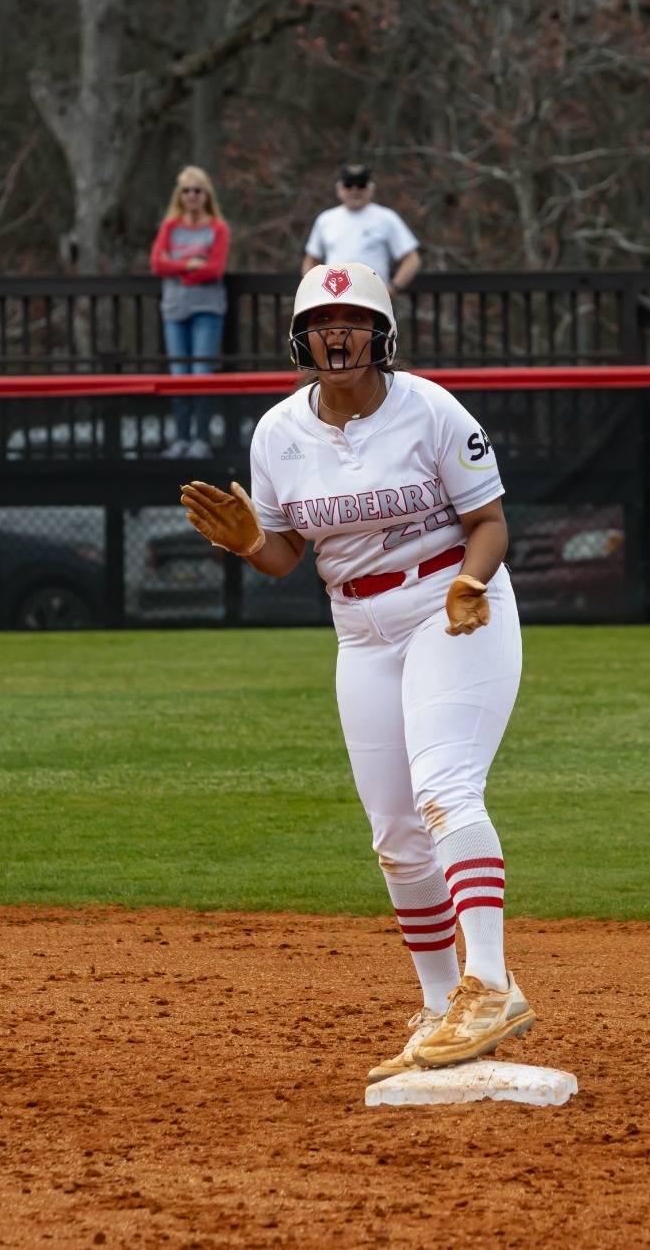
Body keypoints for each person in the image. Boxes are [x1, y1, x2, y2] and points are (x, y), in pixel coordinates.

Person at [178, 262, 531, 1081]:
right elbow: (285, 554)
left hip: (450, 602)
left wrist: (471, 582)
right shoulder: (278, 433)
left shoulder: (430, 409)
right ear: (301, 339)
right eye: (322, 321)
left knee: (445, 787)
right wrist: (248, 542)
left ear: (381, 334)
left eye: (354, 319)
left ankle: (490, 983)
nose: (337, 333)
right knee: (396, 836)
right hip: (360, 629)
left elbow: (489, 521)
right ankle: (441, 1010)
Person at [150, 166, 231, 458]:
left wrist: (178, 270)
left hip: (207, 309)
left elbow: (214, 269)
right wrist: (189, 264)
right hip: (174, 310)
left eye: (197, 190)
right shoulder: (170, 227)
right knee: (178, 376)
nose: (192, 196)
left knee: (201, 375)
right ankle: (181, 439)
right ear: (179, 195)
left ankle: (201, 439)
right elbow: (157, 264)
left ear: (206, 194)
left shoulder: (218, 228)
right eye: (186, 191)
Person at [301, 165, 420, 295]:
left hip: (373, 297)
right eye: (349, 185)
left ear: (370, 188)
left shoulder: (386, 218)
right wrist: (314, 289)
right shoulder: (325, 219)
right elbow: (310, 260)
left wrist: (393, 288)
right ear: (340, 188)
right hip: (335, 297)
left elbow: (412, 259)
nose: (355, 190)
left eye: (361, 185)